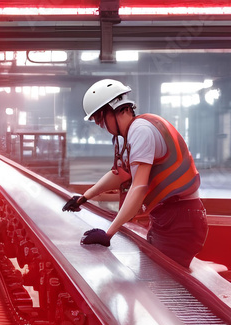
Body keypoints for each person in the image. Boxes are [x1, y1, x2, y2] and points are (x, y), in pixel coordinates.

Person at [62, 78, 208, 268]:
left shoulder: (141, 131)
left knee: (159, 283)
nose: (99, 125)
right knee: (155, 278)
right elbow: (121, 174)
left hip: (180, 220)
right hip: (173, 217)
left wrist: (108, 234)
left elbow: (138, 187)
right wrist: (85, 197)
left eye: (99, 118)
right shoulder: (137, 129)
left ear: (112, 109)